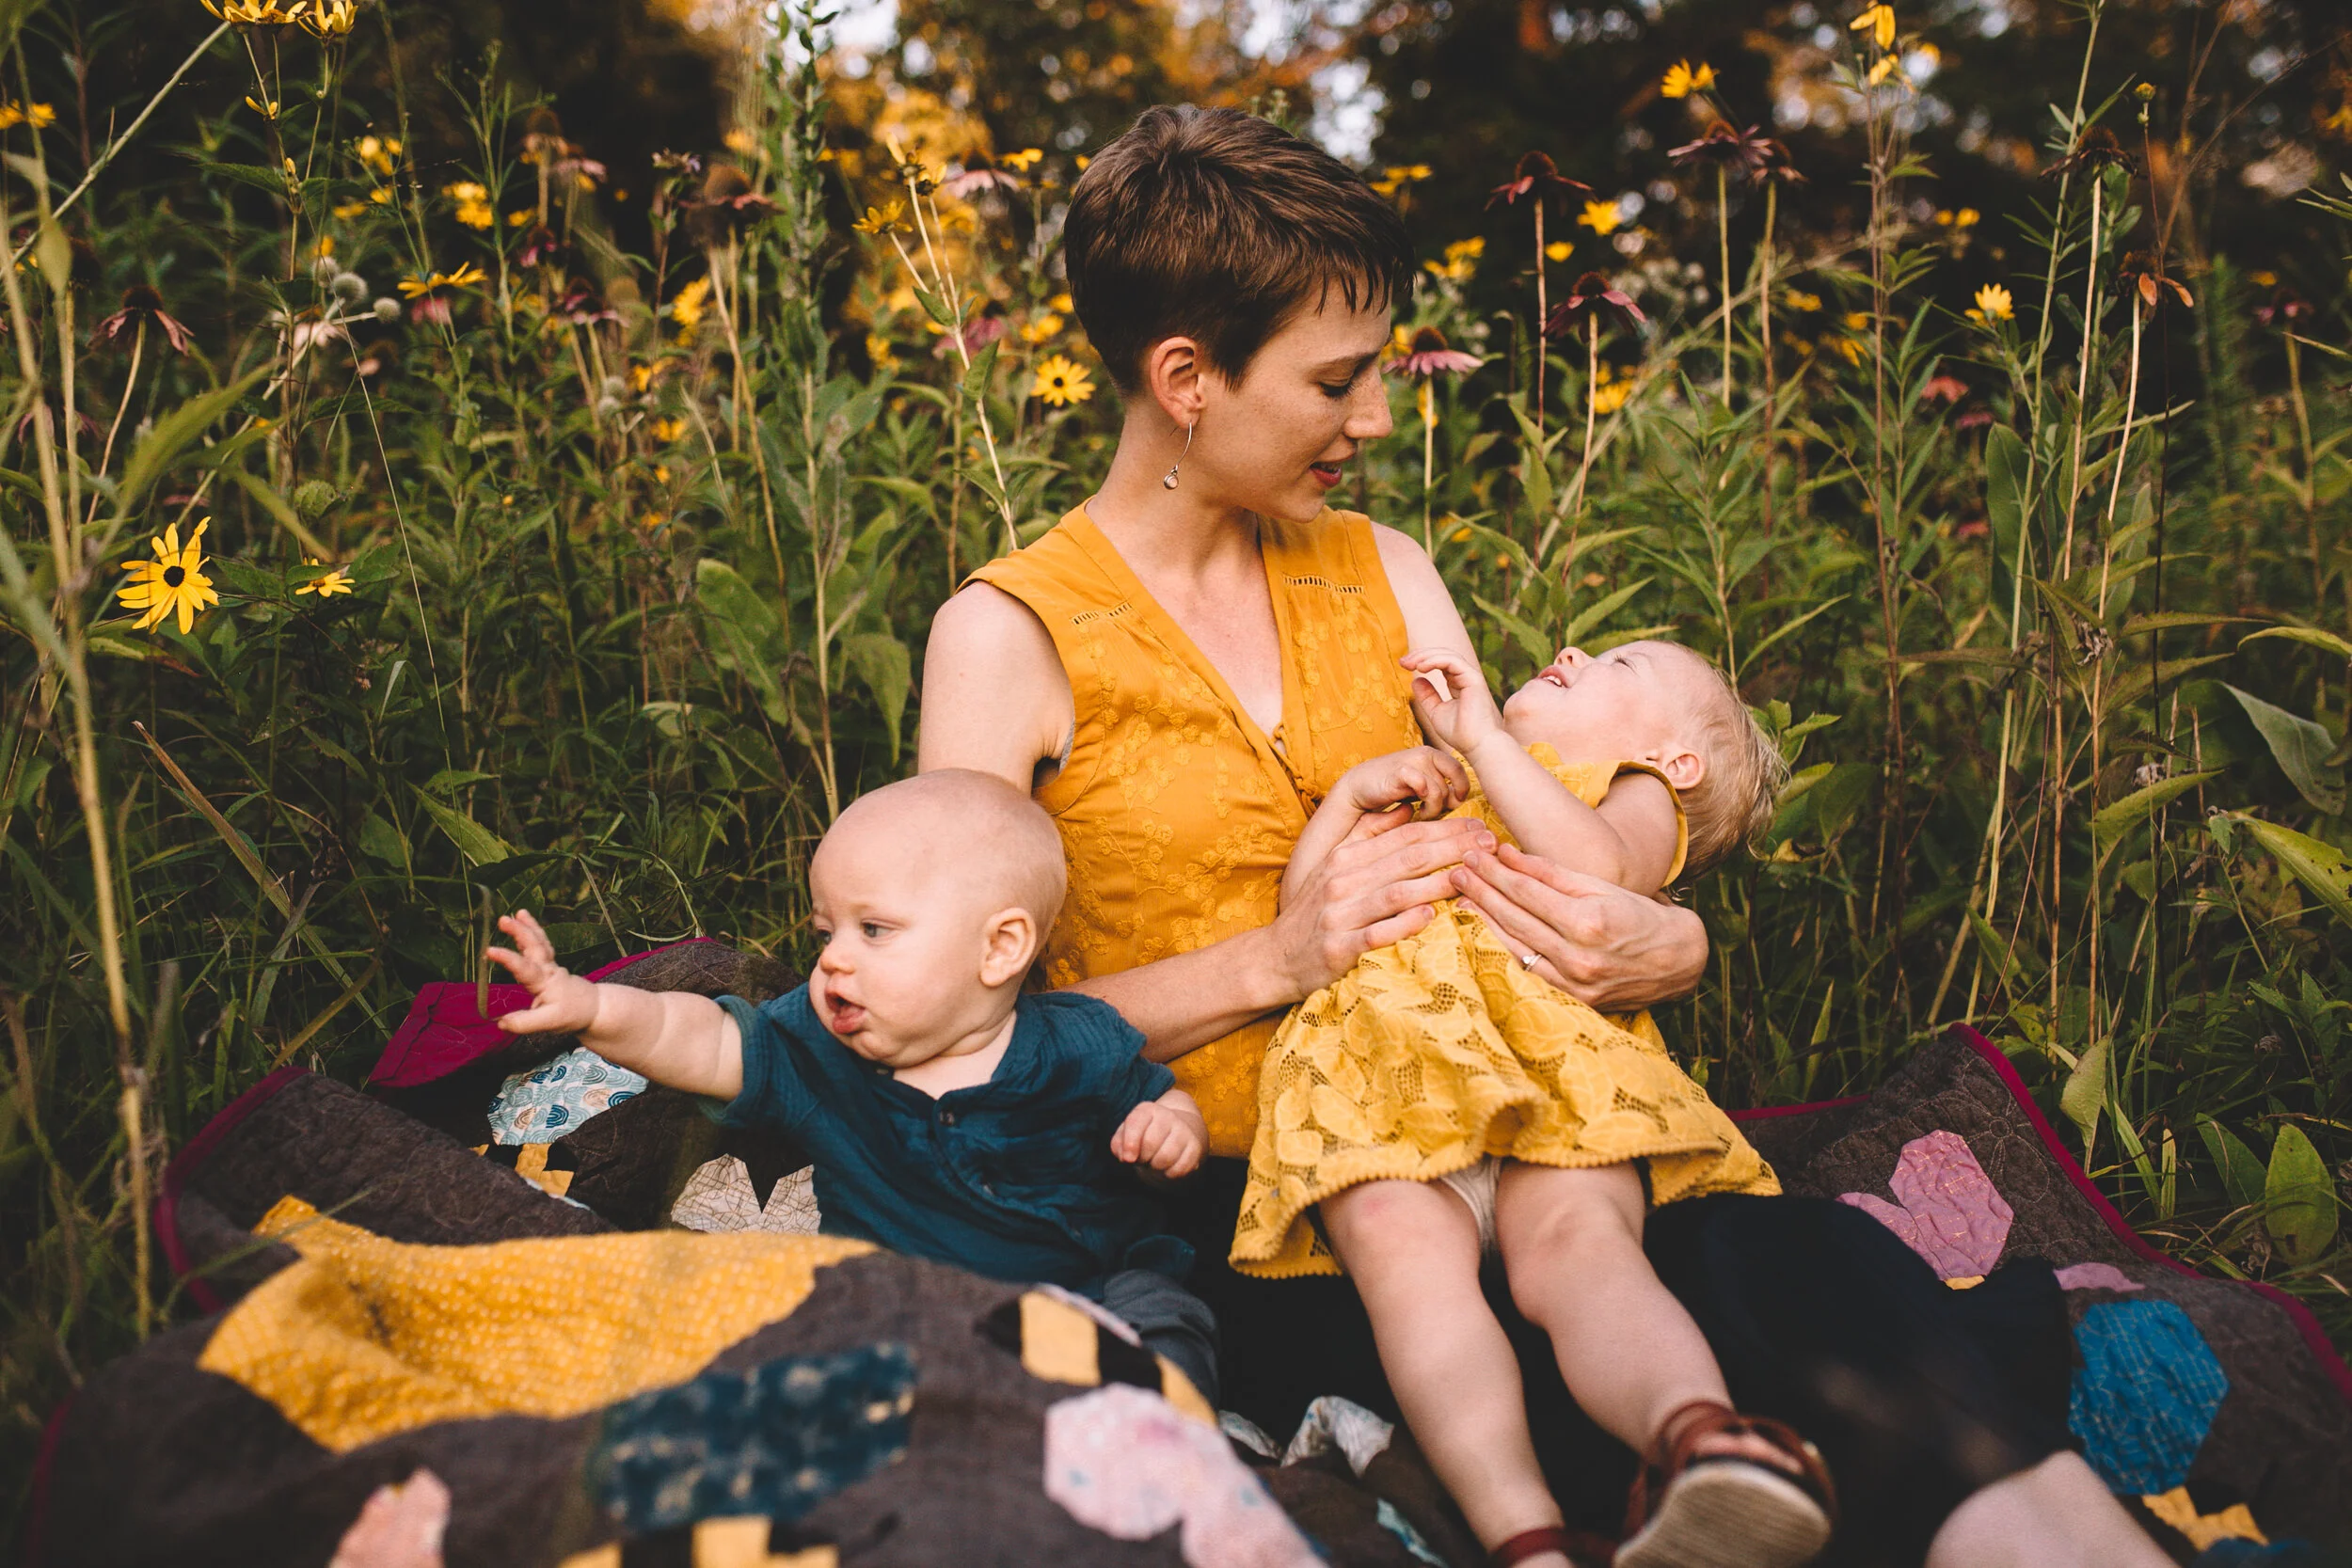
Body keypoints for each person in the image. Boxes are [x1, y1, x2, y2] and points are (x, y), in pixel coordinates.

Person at [918, 103, 2169, 1568]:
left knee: (1819, 1261)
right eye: (1341, 380)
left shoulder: (1384, 569)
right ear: (1188, 378)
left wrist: (1667, 934)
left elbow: (1545, 823)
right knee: (1506, 1335)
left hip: (1505, 1142)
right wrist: (1273, 956)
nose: (1378, 416)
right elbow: (948, 1040)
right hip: (1241, 1207)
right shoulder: (1008, 636)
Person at [1231, 641, 1827, 1568]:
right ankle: (1523, 1533)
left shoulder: (1625, 790)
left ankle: (1700, 1442)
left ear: (1678, 761)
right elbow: (1305, 913)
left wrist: (1482, 740)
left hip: (1552, 1081)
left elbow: (1592, 862)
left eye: (1620, 663)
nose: (1572, 649)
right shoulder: (1445, 782)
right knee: (1405, 1270)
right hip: (1383, 1084)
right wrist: (1351, 801)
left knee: (1580, 1253)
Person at [480, 769, 1219, 1402]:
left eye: (874, 930)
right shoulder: (815, 1045)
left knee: (1166, 1321)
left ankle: (1164, 1445)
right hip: (903, 1307)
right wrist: (597, 1007)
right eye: (825, 931)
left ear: (1000, 948)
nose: (834, 959)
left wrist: (1172, 1128)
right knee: (809, 1331)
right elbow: (697, 1038)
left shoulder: (1080, 1042)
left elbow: (1161, 1096)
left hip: (1096, 1292)